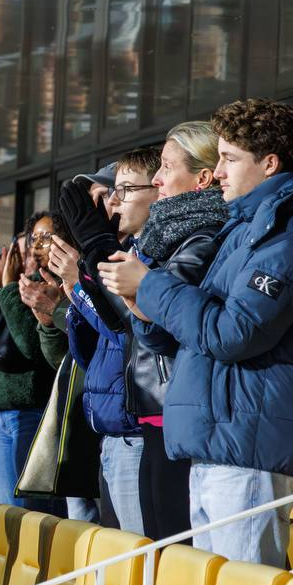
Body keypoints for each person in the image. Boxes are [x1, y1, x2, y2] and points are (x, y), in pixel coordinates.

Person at [105, 99, 293, 566]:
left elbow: (235, 332)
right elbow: (189, 333)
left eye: (229, 158)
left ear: (270, 163)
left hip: (248, 447)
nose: (217, 171)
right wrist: (142, 307)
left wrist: (151, 286)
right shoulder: (245, 226)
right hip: (220, 441)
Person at [94, 122, 227, 539]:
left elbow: (159, 332)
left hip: (179, 415)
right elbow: (126, 330)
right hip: (153, 414)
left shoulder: (202, 237)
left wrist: (100, 259)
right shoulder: (163, 237)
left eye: (166, 168)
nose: (157, 179)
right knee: (156, 555)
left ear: (202, 178)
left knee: (174, 553)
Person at [58, 147, 161, 533]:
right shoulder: (115, 256)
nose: (111, 205)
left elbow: (124, 332)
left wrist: (77, 285)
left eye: (118, 192)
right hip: (109, 428)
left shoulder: (139, 257)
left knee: (138, 560)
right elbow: (87, 350)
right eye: (106, 196)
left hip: (133, 430)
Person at [0, 212, 67, 512]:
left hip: (30, 412)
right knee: (3, 515)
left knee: (31, 514)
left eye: (44, 238)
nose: (35, 247)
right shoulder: (17, 283)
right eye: (32, 240)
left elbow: (28, 343)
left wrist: (11, 286)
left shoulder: (53, 285)